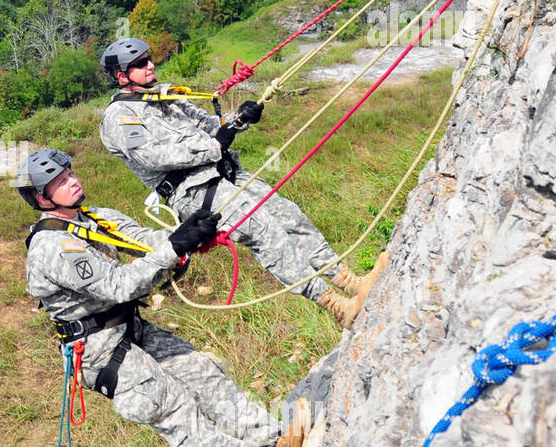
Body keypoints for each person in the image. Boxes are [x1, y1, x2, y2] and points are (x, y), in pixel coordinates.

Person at [16, 148, 310, 447]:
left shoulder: (94, 219)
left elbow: (143, 240)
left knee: (203, 372)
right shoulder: (53, 246)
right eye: (61, 182)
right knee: (177, 411)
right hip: (100, 352)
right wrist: (173, 249)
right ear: (42, 198)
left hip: (129, 329)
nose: (73, 182)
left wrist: (190, 233)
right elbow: (118, 285)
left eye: (70, 174)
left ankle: (280, 444)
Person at [97, 37, 386, 328]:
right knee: (266, 232)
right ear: (122, 76)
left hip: (225, 171)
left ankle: (350, 283)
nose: (150, 65)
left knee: (289, 215)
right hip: (194, 190)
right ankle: (337, 307)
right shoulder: (120, 117)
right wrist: (214, 147)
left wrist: (239, 119)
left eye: (149, 59)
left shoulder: (164, 97)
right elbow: (152, 157)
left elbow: (210, 126)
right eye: (140, 64)